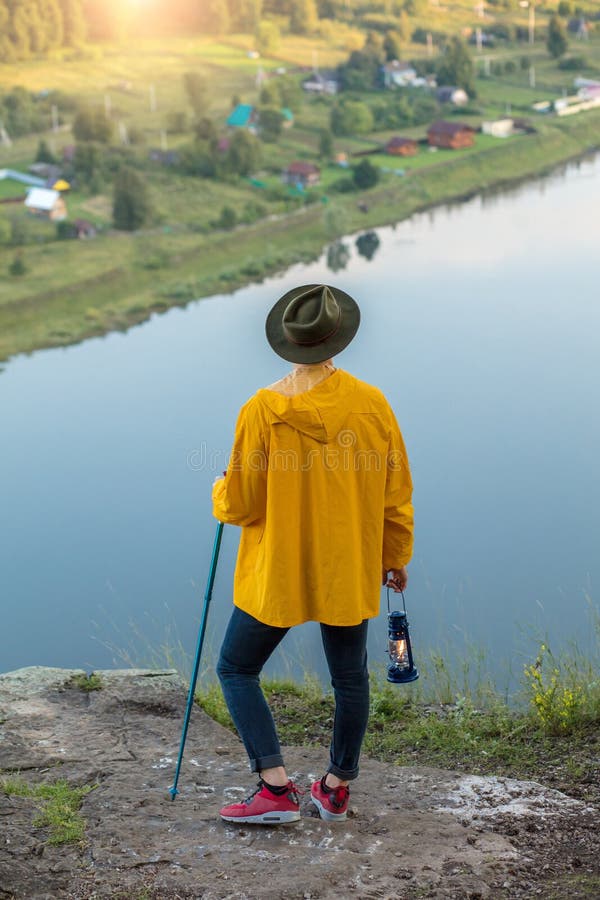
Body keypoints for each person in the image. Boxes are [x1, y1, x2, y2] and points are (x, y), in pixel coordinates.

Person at [212, 283, 414, 825]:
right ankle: (334, 789)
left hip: (280, 567)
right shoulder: (372, 404)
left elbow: (241, 503)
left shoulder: (262, 410)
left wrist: (220, 490)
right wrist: (394, 555)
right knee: (350, 677)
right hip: (348, 563)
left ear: (287, 341)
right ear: (338, 338)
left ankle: (275, 790)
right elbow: (395, 492)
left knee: (236, 667)